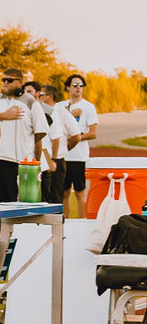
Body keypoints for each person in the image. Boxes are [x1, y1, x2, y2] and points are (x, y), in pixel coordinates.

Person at [0, 67, 43, 204]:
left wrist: (35, 160)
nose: (5, 83)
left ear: (20, 82)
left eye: (9, 80)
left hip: (19, 162)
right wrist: (3, 116)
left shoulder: (31, 102)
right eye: (3, 80)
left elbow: (40, 132)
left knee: (14, 204)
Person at [62, 74, 99, 217]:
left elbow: (93, 133)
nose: (78, 88)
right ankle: (65, 222)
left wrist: (76, 138)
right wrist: (71, 114)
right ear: (68, 87)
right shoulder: (61, 106)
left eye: (81, 85)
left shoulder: (88, 107)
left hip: (78, 156)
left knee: (80, 192)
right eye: (75, 85)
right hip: (63, 155)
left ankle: (81, 221)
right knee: (64, 192)